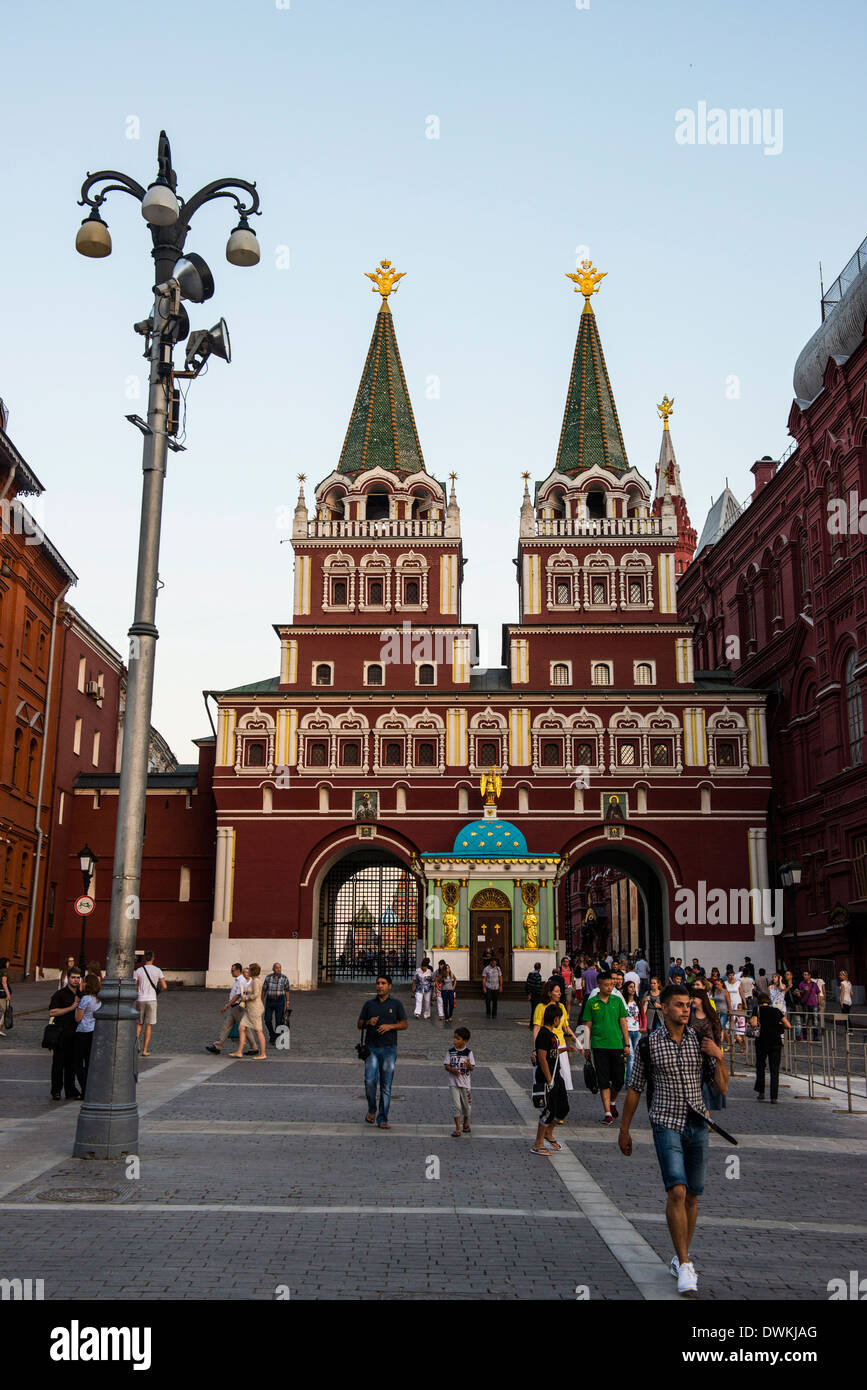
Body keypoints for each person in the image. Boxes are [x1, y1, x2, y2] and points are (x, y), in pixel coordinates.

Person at [618, 983, 724, 1296]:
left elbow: (721, 1088)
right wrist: (624, 1129)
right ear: (663, 1008)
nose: (685, 1010)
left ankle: (680, 1256)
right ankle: (686, 1262)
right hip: (666, 1123)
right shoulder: (649, 1045)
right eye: (679, 1005)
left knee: (692, 1195)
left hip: (698, 1124)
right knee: (677, 1189)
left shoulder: (700, 1042)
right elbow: (635, 1088)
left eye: (688, 1005)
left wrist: (719, 1057)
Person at [357, 974, 408, 1129]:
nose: (380, 986)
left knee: (386, 1085)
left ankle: (383, 1118)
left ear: (389, 986)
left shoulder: (396, 1004)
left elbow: (404, 1024)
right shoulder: (369, 1004)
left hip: (389, 1049)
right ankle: (372, 1109)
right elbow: (359, 1024)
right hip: (371, 1048)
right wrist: (368, 1022)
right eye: (378, 983)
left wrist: (390, 1026)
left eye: (383, 983)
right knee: (370, 1080)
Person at [584, 971, 630, 1125]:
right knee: (603, 1080)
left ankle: (612, 1101)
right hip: (599, 1045)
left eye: (611, 985)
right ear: (599, 985)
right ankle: (607, 1113)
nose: (610, 987)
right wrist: (586, 1047)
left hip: (616, 1044)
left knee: (619, 1080)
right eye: (606, 985)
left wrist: (627, 1043)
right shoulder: (592, 1002)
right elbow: (587, 1025)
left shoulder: (617, 1001)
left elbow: (623, 1022)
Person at [532, 980, 580, 1098]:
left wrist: (577, 1041)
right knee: (548, 1074)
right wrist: (536, 1048)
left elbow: (566, 1027)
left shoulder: (561, 1007)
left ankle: (561, 1098)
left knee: (562, 1076)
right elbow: (537, 1028)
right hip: (547, 1045)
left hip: (561, 1044)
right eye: (557, 991)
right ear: (549, 993)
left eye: (560, 991)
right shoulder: (541, 1007)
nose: (559, 994)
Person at [532, 1004, 569, 1154]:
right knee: (549, 1110)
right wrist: (549, 1080)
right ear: (555, 1019)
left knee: (563, 1108)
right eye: (560, 1018)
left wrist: (566, 1049)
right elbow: (542, 1058)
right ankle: (538, 1144)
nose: (560, 1021)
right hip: (548, 1078)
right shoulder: (543, 1034)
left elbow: (552, 1052)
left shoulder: (551, 1035)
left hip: (556, 1075)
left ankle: (549, 1133)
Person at [689, 980, 726, 1111]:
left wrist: (718, 1053)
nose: (692, 1000)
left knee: (708, 1087)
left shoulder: (712, 1017)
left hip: (710, 1058)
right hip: (694, 1057)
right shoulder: (690, 1016)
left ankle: (707, 1111)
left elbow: (717, 1037)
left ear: (701, 1000)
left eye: (694, 998)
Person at [48, 966, 82, 1099]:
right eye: (73, 977)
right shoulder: (60, 994)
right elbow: (52, 1012)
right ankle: (56, 1090)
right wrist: (71, 1008)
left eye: (78, 978)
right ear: (68, 978)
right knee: (58, 1064)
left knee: (72, 1064)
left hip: (76, 1033)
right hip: (61, 1032)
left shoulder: (81, 994)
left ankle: (70, 1090)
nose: (75, 980)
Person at [750, 993, 791, 1102]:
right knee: (774, 1070)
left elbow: (754, 1023)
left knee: (760, 1067)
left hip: (761, 1042)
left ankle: (761, 1092)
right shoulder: (776, 1010)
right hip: (775, 1042)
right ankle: (774, 1097)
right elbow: (788, 1025)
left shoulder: (757, 1010)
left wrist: (751, 1021)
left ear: (759, 1001)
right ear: (768, 1001)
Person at [206, 963, 248, 1054]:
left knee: (245, 1028)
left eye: (232, 970)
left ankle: (254, 1047)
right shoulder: (238, 980)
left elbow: (238, 995)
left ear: (238, 970)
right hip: (234, 1008)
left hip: (238, 1007)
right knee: (226, 1026)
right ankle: (218, 1046)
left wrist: (227, 1005)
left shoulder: (241, 981)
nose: (231, 972)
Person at [74, 975, 102, 1098]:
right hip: (94, 1031)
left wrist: (76, 1005)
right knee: (90, 1062)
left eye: (84, 982)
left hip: (83, 1031)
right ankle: (91, 1088)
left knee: (78, 1063)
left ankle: (85, 1088)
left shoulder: (85, 999)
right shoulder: (99, 999)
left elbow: (78, 1018)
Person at [230, 962, 266, 1059]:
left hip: (255, 1009)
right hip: (249, 1009)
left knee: (258, 1030)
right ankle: (239, 1052)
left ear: (253, 971)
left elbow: (255, 995)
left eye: (249, 970)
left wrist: (245, 998)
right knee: (241, 1028)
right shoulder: (253, 980)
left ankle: (263, 1054)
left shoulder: (256, 981)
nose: (247, 971)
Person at [133, 950, 166, 1057]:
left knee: (139, 1024)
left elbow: (134, 984)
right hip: (152, 999)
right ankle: (145, 1050)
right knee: (149, 1025)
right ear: (153, 958)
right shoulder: (158, 970)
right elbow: (164, 986)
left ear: (144, 958)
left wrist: (138, 991)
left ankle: (136, 1045)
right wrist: (158, 992)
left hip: (140, 999)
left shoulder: (138, 970)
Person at [445, 1026, 474, 1136]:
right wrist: (453, 1070)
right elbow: (446, 1065)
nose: (454, 1040)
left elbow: (472, 1068)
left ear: (464, 1041)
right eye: (454, 1038)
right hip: (453, 1083)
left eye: (457, 1038)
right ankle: (458, 1128)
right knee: (457, 1106)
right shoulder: (450, 1052)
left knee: (466, 1106)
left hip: (465, 1084)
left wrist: (469, 1065)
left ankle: (465, 1123)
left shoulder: (468, 1053)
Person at [622, 979, 645, 1084]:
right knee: (630, 1056)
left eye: (634, 987)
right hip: (626, 1031)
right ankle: (629, 1081)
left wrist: (643, 1027)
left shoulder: (637, 1001)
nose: (632, 989)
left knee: (635, 1057)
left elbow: (642, 1015)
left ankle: (633, 1080)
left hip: (637, 1031)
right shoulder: (622, 1002)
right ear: (626, 988)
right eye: (630, 987)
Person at [262, 963, 291, 1046]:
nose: (279, 969)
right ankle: (272, 1034)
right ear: (273, 969)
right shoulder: (268, 977)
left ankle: (275, 1038)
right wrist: (261, 1001)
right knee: (267, 1019)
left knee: (279, 1021)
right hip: (269, 1001)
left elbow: (287, 990)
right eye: (277, 968)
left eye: (280, 968)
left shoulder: (284, 978)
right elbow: (264, 989)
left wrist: (287, 1002)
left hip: (280, 1001)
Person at [723, 967, 747, 1052]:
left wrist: (745, 1003)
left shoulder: (738, 982)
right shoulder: (725, 983)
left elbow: (742, 993)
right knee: (729, 1026)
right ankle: (730, 1044)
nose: (731, 976)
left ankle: (743, 1046)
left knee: (739, 1027)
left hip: (738, 1005)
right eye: (729, 975)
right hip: (729, 1004)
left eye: (732, 975)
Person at [796, 970, 820, 1041]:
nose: (804, 976)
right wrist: (803, 990)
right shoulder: (801, 984)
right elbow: (798, 994)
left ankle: (815, 1036)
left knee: (815, 1021)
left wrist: (819, 1003)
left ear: (809, 976)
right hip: (805, 1004)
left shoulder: (814, 984)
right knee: (805, 1021)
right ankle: (805, 1036)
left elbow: (818, 993)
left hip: (814, 1004)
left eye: (806, 974)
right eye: (804, 974)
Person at [0, 957, 10, 1038]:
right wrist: (8, 994)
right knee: (5, 1011)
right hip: (2, 993)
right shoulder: (4, 971)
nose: (8, 964)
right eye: (7, 962)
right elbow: (4, 983)